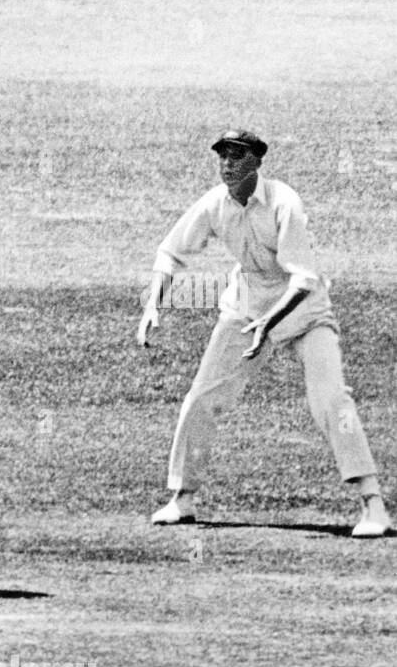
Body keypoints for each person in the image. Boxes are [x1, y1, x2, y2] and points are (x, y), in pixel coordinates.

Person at [137, 129, 390, 537]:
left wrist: (268, 325)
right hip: (245, 309)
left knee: (331, 401)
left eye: (237, 156)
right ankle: (182, 498)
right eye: (222, 156)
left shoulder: (284, 202)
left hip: (304, 313)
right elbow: (170, 252)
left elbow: (304, 279)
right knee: (202, 397)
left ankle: (373, 504)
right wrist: (154, 304)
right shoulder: (215, 203)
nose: (227, 164)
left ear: (257, 162)